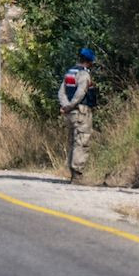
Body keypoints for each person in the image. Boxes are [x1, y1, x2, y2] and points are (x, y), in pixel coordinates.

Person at [58, 48, 97, 184]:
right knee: (81, 141)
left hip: (70, 114)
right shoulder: (84, 74)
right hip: (81, 112)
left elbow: (61, 92)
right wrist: (70, 105)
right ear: (89, 61)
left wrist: (65, 106)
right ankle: (77, 175)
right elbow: (81, 93)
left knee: (72, 141)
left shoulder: (70, 72)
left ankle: (72, 172)